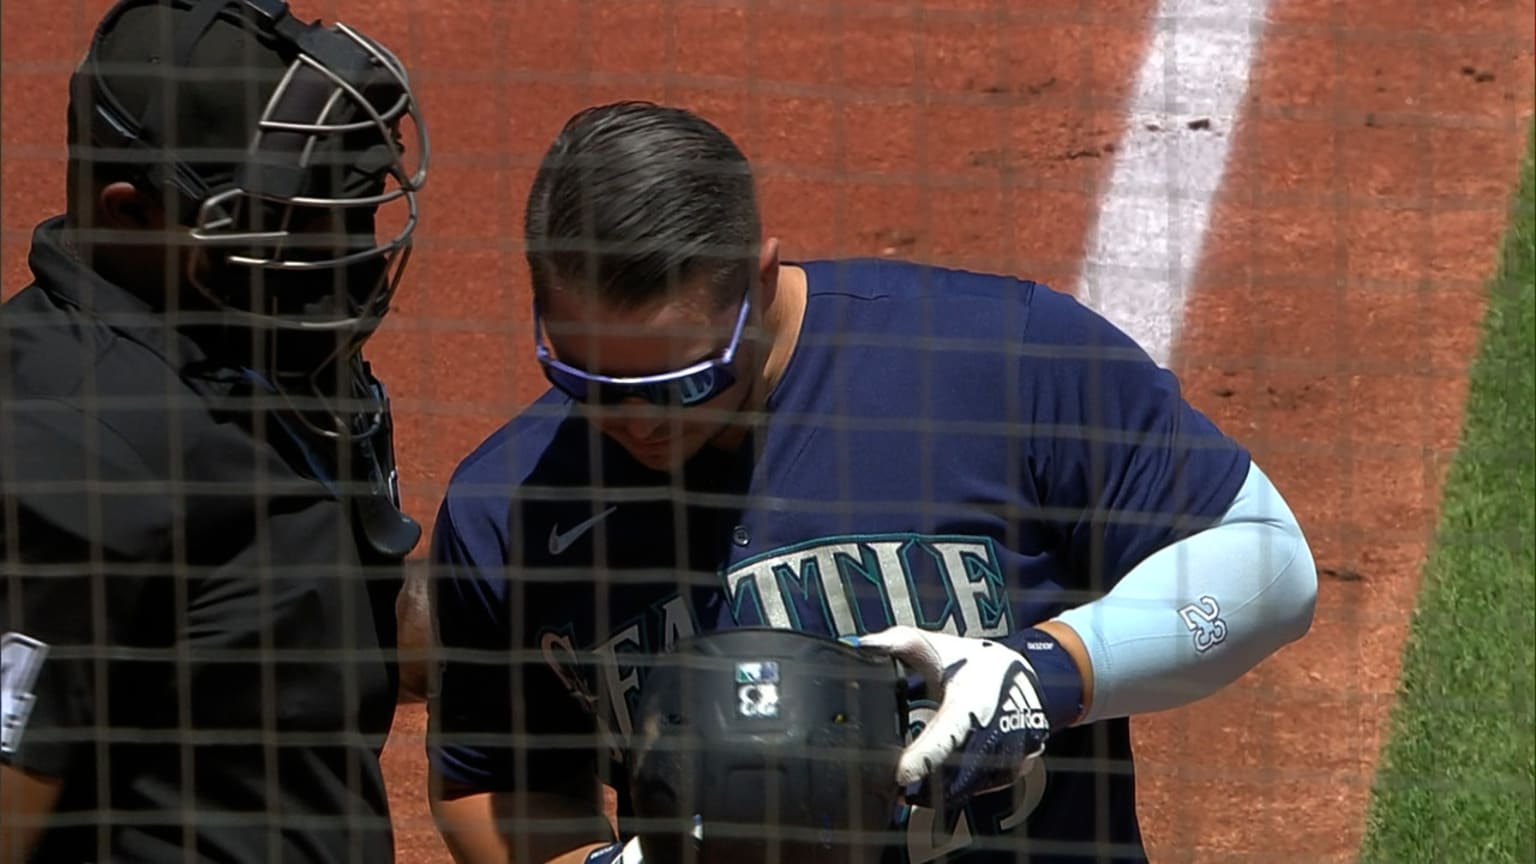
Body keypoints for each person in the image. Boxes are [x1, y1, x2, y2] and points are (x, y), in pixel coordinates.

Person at [425, 100, 1317, 864]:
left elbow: (1269, 566)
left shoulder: (997, 361)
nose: (638, 421)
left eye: (685, 381)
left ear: (759, 277)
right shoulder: (509, 510)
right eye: (585, 381)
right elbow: (493, 785)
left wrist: (1048, 672)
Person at [0, 0, 429, 861]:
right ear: (129, 212)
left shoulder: (249, 336)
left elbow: (310, 633)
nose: (345, 250)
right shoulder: (64, 446)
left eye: (352, 208)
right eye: (295, 218)